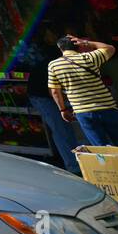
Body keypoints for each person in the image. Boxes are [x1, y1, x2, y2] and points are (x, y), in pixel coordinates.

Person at [47, 30, 118, 148]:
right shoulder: (90, 57)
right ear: (77, 45)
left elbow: (55, 91)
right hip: (108, 107)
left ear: (60, 48)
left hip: (83, 112)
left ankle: (110, 166)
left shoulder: (54, 65)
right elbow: (110, 48)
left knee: (101, 148)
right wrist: (86, 42)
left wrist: (63, 110)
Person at [25, 29, 81, 175]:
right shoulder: (57, 61)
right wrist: (63, 108)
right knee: (61, 128)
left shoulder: (57, 56)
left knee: (63, 128)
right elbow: (53, 90)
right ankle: (73, 166)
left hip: (45, 93)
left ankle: (75, 161)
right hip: (41, 96)